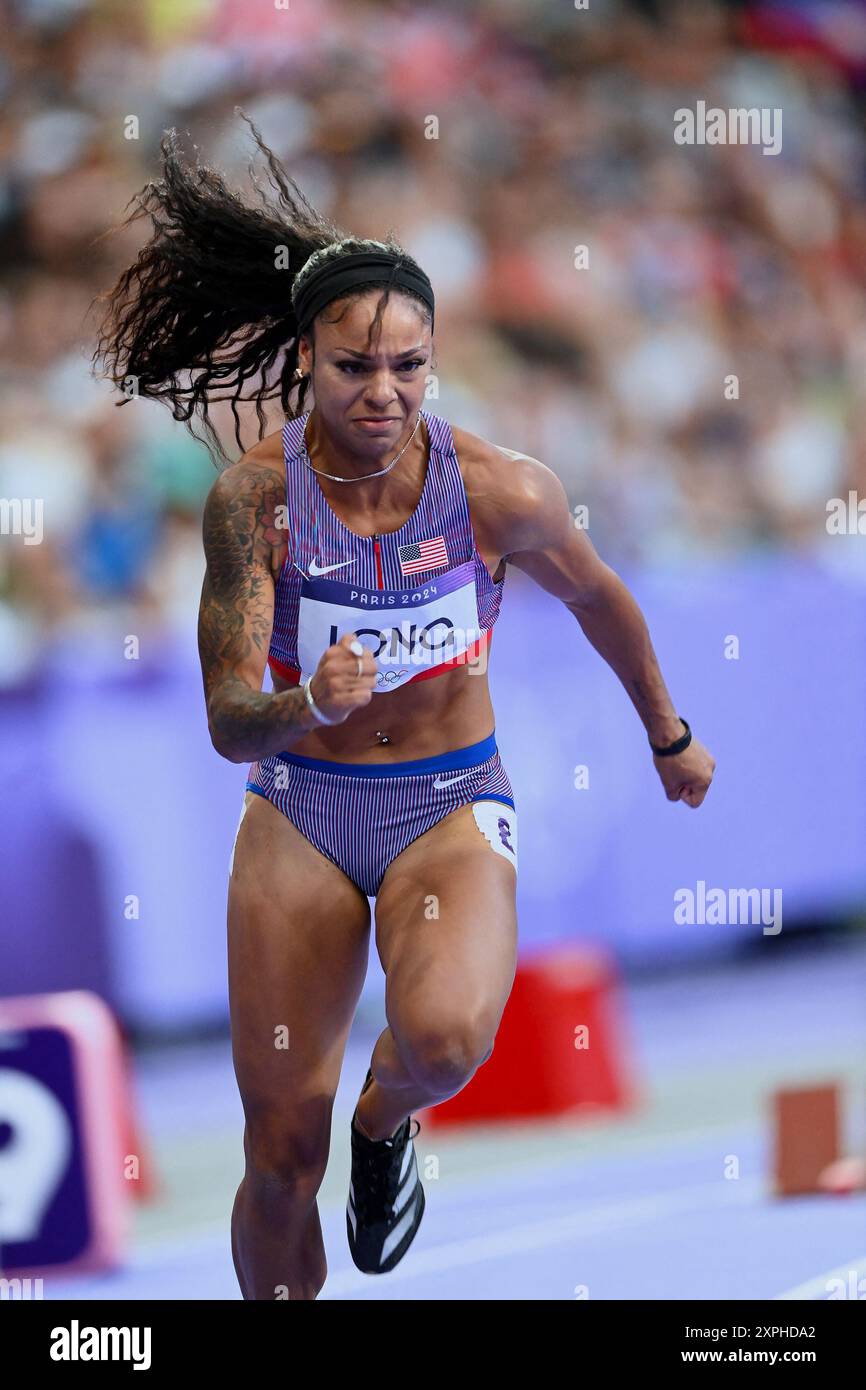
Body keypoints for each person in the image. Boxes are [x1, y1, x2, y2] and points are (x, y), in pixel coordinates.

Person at [92, 118, 716, 1300]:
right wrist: (296, 703)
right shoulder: (255, 503)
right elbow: (228, 719)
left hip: (448, 801)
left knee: (442, 1042)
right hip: (300, 811)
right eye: (352, 369)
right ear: (305, 361)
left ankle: (385, 1127)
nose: (382, 393)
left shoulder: (499, 491)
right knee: (277, 1149)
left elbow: (602, 601)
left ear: (434, 361)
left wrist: (666, 733)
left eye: (409, 366)